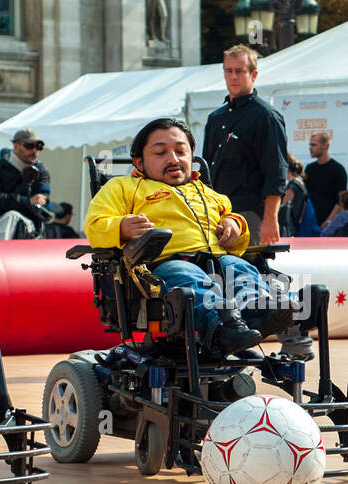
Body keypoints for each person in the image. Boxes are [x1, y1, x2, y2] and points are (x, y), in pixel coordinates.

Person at [84, 117, 296, 355]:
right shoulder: (121, 187)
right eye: (160, 153)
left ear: (191, 156)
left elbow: (233, 224)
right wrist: (121, 227)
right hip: (162, 265)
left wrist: (234, 224)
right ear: (139, 162)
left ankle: (259, 312)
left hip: (217, 259)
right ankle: (220, 327)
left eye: (180, 151)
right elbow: (94, 225)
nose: (173, 159)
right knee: (189, 277)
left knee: (238, 267)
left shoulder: (206, 192)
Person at [203, 45, 287, 247]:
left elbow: (276, 171)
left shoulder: (266, 116)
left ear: (254, 74)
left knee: (249, 275)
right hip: (215, 214)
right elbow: (205, 169)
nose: (233, 76)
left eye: (239, 71)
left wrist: (270, 219)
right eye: (228, 70)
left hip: (251, 215)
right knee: (218, 275)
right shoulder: (215, 118)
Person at [0, 129, 51, 239]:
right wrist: (27, 202)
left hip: (31, 231)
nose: (34, 151)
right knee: (12, 217)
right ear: (16, 146)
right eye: (29, 146)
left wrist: (41, 201)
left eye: (38, 146)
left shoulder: (41, 171)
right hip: (1, 227)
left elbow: (44, 200)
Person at [303, 131, 348, 227]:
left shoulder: (338, 170)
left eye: (314, 145)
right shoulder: (309, 169)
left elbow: (341, 200)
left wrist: (329, 221)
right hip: (311, 222)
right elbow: (305, 197)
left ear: (325, 145)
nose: (310, 148)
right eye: (310, 145)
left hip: (331, 224)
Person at [279, 156, 312, 237]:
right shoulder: (300, 182)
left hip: (289, 229)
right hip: (295, 226)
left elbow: (282, 209)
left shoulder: (292, 186)